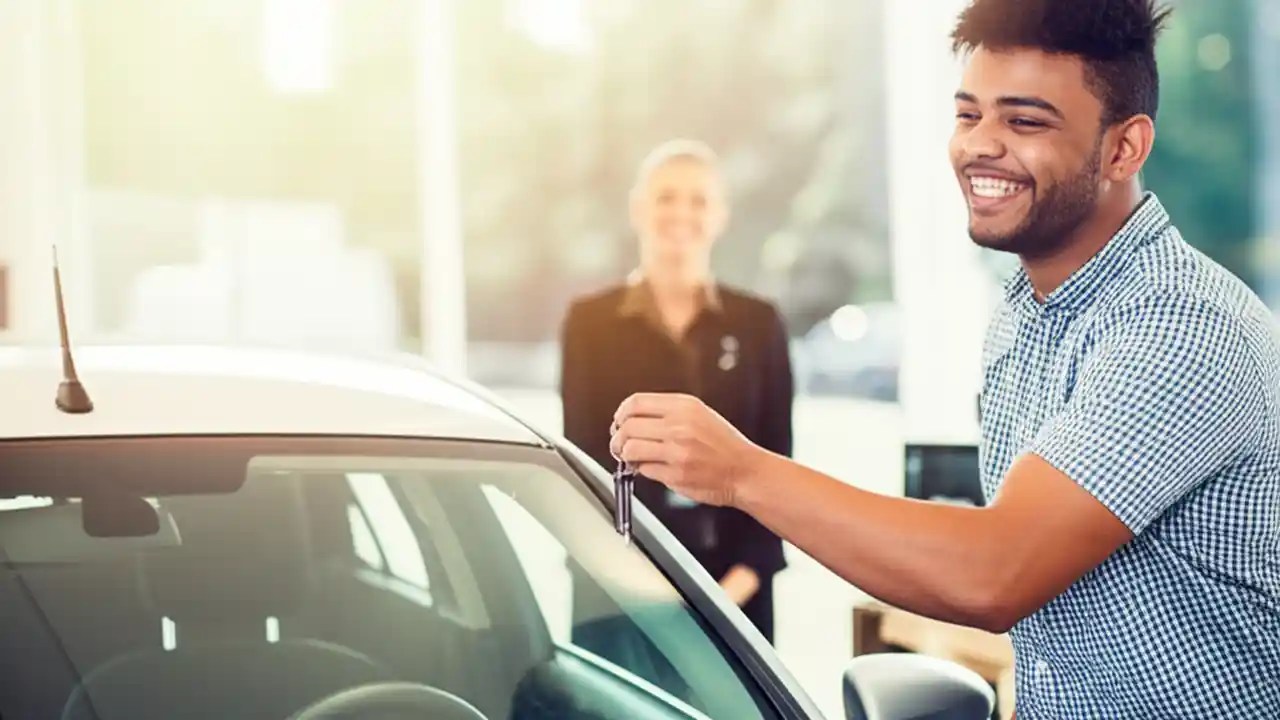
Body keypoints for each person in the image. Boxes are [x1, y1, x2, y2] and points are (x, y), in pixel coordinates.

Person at [608, 2, 1280, 718]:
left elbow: (994, 574)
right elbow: (1057, 632)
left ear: (1124, 148)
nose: (981, 146)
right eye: (968, 115)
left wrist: (742, 473)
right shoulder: (1026, 316)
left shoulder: (1183, 329)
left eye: (1025, 122)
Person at [559, 139, 793, 642]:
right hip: (618, 592)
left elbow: (777, 466)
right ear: (639, 209)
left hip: (735, 597)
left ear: (720, 216)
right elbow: (583, 464)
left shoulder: (758, 325)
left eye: (698, 200)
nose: (681, 213)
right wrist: (640, 590)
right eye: (666, 197)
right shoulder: (590, 325)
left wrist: (726, 594)